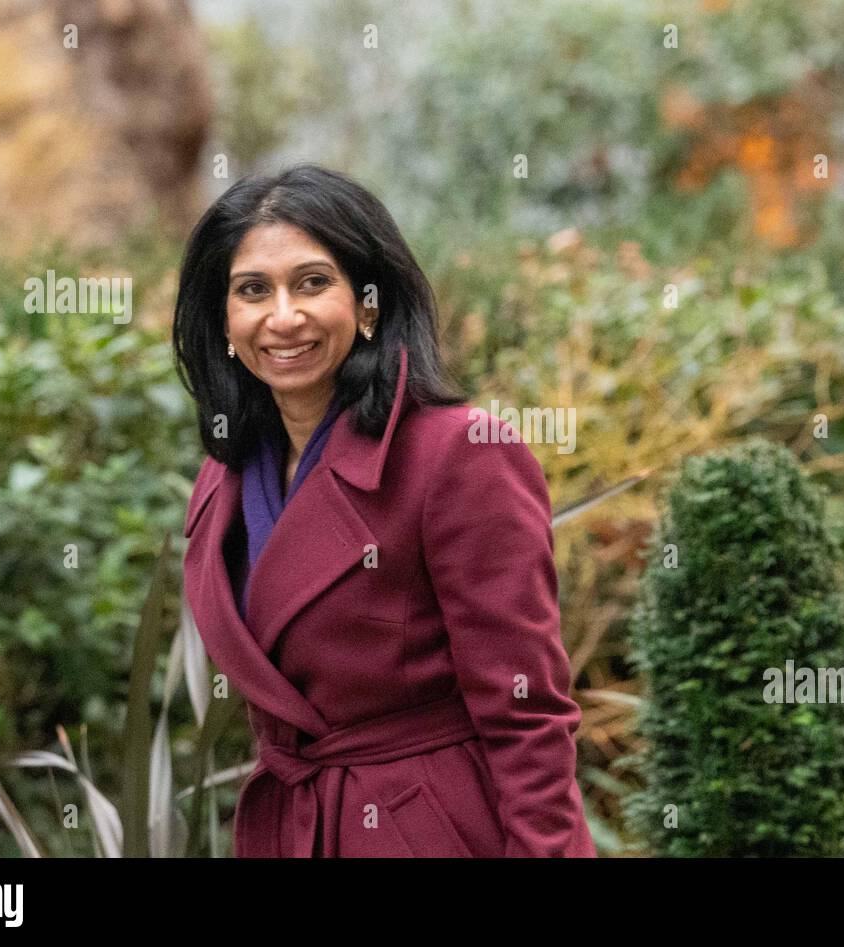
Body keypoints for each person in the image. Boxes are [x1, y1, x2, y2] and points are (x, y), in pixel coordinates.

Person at [172, 163, 596, 857]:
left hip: (425, 829)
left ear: (368, 305)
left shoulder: (458, 455)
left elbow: (529, 715)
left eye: (313, 283)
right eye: (253, 290)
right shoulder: (225, 473)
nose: (283, 316)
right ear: (223, 320)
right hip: (288, 828)